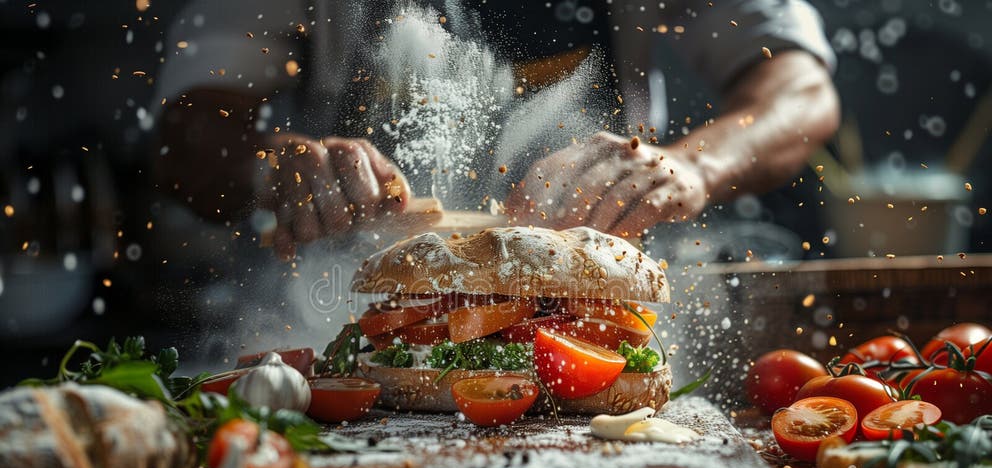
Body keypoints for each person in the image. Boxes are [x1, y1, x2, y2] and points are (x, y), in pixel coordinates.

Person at [154, 0, 839, 258]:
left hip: (583, 300)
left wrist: (693, 166)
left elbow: (800, 92)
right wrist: (271, 164)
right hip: (334, 302)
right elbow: (186, 133)